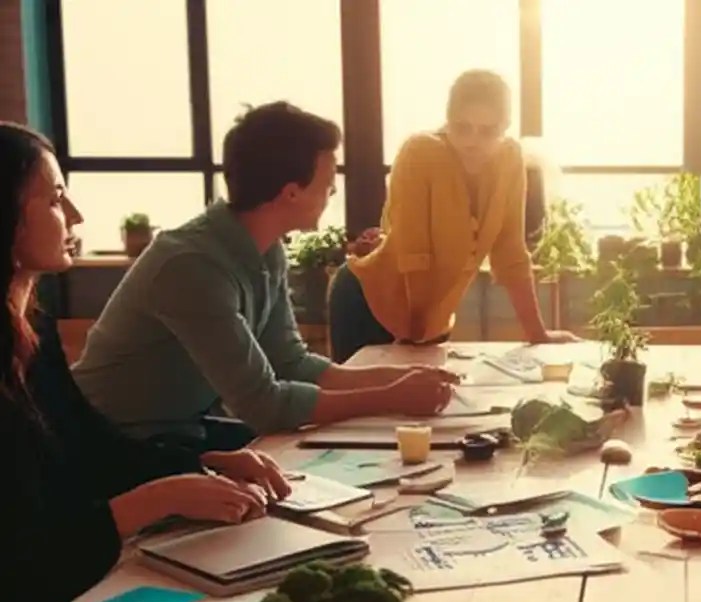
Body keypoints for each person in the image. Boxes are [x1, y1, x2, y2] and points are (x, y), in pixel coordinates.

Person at [0, 122, 290, 602]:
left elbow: (92, 445)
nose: (75, 216)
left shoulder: (35, 330)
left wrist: (199, 462)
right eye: (54, 199)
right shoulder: (190, 262)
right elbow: (21, 565)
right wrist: (158, 499)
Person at [72, 102, 458, 450]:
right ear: (291, 193)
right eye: (327, 183)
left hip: (184, 427)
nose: (333, 190)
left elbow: (291, 363)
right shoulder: (190, 266)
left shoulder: (267, 249)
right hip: (115, 442)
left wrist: (409, 377)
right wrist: (393, 396)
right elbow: (264, 406)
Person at [328, 70, 575, 364]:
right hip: (369, 301)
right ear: (447, 119)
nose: (473, 141)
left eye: (487, 131)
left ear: (505, 127)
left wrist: (538, 335)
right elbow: (413, 254)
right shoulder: (420, 152)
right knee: (367, 408)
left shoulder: (510, 159)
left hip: (428, 321)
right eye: (462, 127)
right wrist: (415, 336)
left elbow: (510, 254)